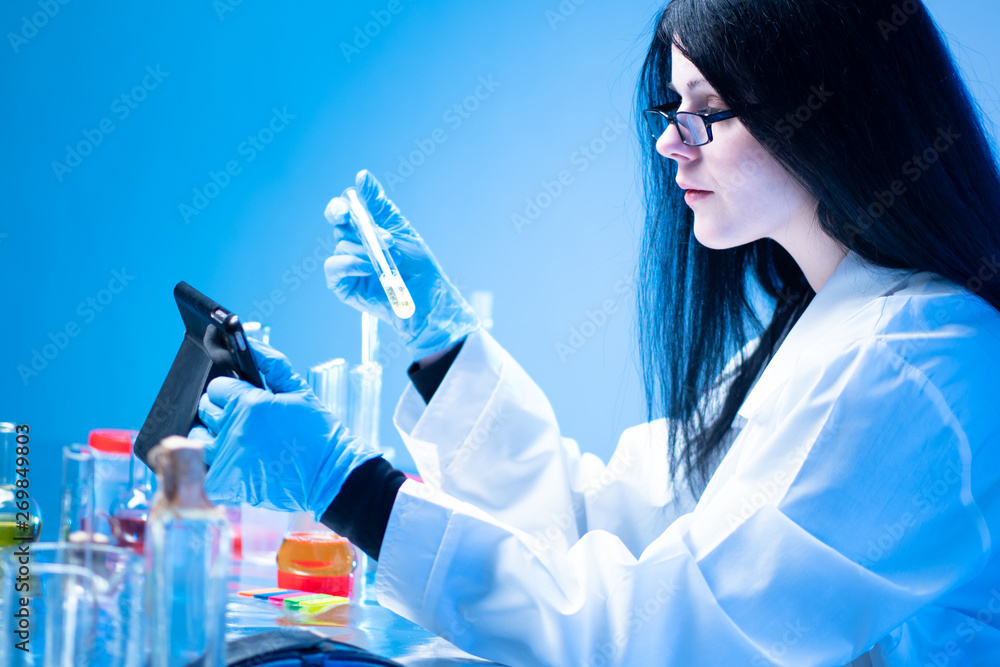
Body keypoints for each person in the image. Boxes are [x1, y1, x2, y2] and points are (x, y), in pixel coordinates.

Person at [190, 0, 1000, 664]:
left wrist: (350, 487)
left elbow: (661, 639)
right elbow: (597, 522)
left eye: (708, 111)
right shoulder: (823, 330)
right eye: (674, 107)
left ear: (827, 113)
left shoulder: (918, 367)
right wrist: (443, 348)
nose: (669, 140)